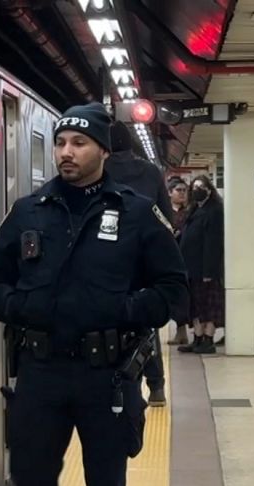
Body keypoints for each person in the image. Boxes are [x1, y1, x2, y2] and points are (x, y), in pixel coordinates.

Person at [0, 102, 188, 486]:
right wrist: (19, 308)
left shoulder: (138, 213)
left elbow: (172, 289)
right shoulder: (29, 211)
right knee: (30, 480)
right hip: (40, 372)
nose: (66, 153)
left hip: (106, 374)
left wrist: (122, 313)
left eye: (78, 143)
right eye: (60, 144)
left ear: (102, 150)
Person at [106, 121, 170, 407]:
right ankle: (155, 386)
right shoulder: (151, 171)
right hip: (144, 258)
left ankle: (114, 381)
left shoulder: (100, 171)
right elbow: (166, 216)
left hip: (105, 257)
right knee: (146, 322)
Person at [177, 174, 225, 355]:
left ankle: (208, 339)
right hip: (191, 267)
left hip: (205, 268)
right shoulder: (194, 209)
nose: (196, 190)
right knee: (195, 304)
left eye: (201, 187)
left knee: (209, 304)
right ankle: (197, 338)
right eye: (194, 187)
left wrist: (209, 270)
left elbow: (214, 243)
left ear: (209, 190)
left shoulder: (215, 211)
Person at [166, 177, 193, 346]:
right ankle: (180, 329)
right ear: (170, 193)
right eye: (179, 190)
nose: (183, 194)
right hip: (170, 258)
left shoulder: (190, 212)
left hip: (188, 257)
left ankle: (185, 330)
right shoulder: (165, 212)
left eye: (185, 190)